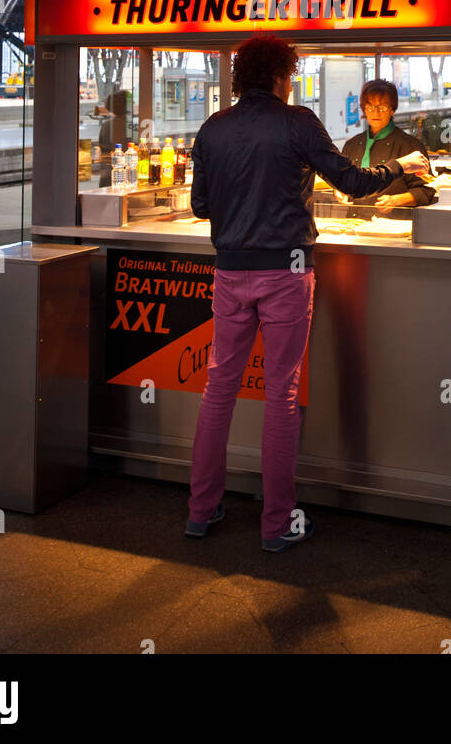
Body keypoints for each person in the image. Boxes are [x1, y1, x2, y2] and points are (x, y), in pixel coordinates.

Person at [186, 36, 430, 553]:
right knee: (281, 394)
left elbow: (201, 206)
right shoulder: (298, 122)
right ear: (282, 75)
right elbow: (355, 182)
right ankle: (276, 524)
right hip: (285, 271)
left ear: (238, 78)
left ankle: (200, 511)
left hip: (230, 273)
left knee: (218, 390)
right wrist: (401, 168)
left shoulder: (212, 127)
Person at [340, 79, 436, 211]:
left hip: (396, 225)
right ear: (364, 109)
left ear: (392, 110)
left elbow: (427, 190)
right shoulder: (352, 145)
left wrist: (397, 200)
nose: (375, 112)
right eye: (370, 106)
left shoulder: (410, 146)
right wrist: (339, 190)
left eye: (382, 107)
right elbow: (341, 179)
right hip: (354, 225)